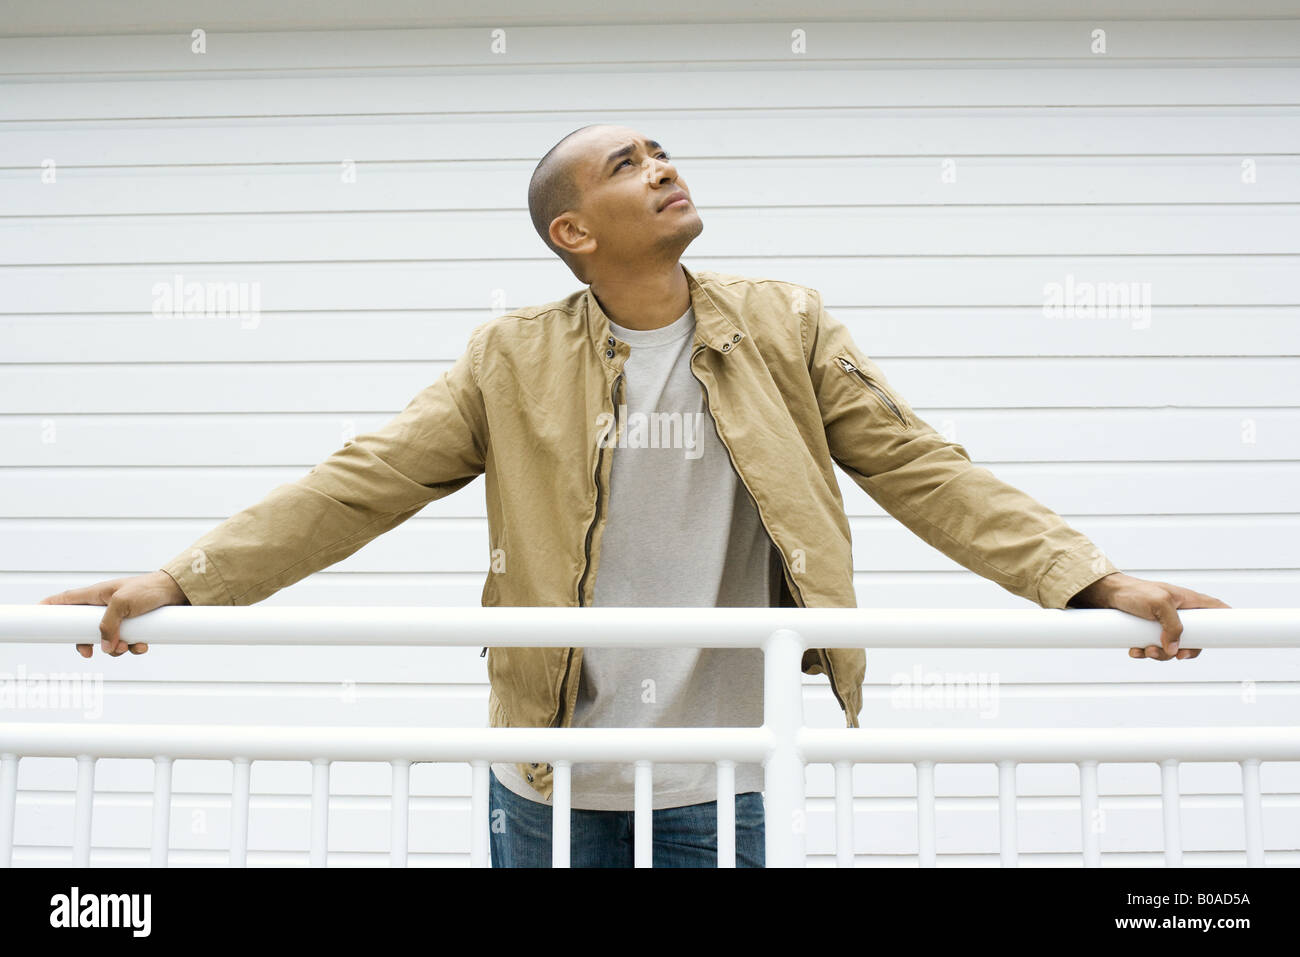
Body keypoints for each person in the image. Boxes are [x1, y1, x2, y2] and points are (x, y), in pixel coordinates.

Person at [40, 123, 1230, 868]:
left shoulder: (786, 324)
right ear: (574, 230)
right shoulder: (508, 358)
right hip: (545, 777)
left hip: (719, 771)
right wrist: (184, 582)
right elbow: (362, 485)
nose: (662, 169)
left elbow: (921, 467)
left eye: (662, 152)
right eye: (626, 165)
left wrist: (1084, 579)